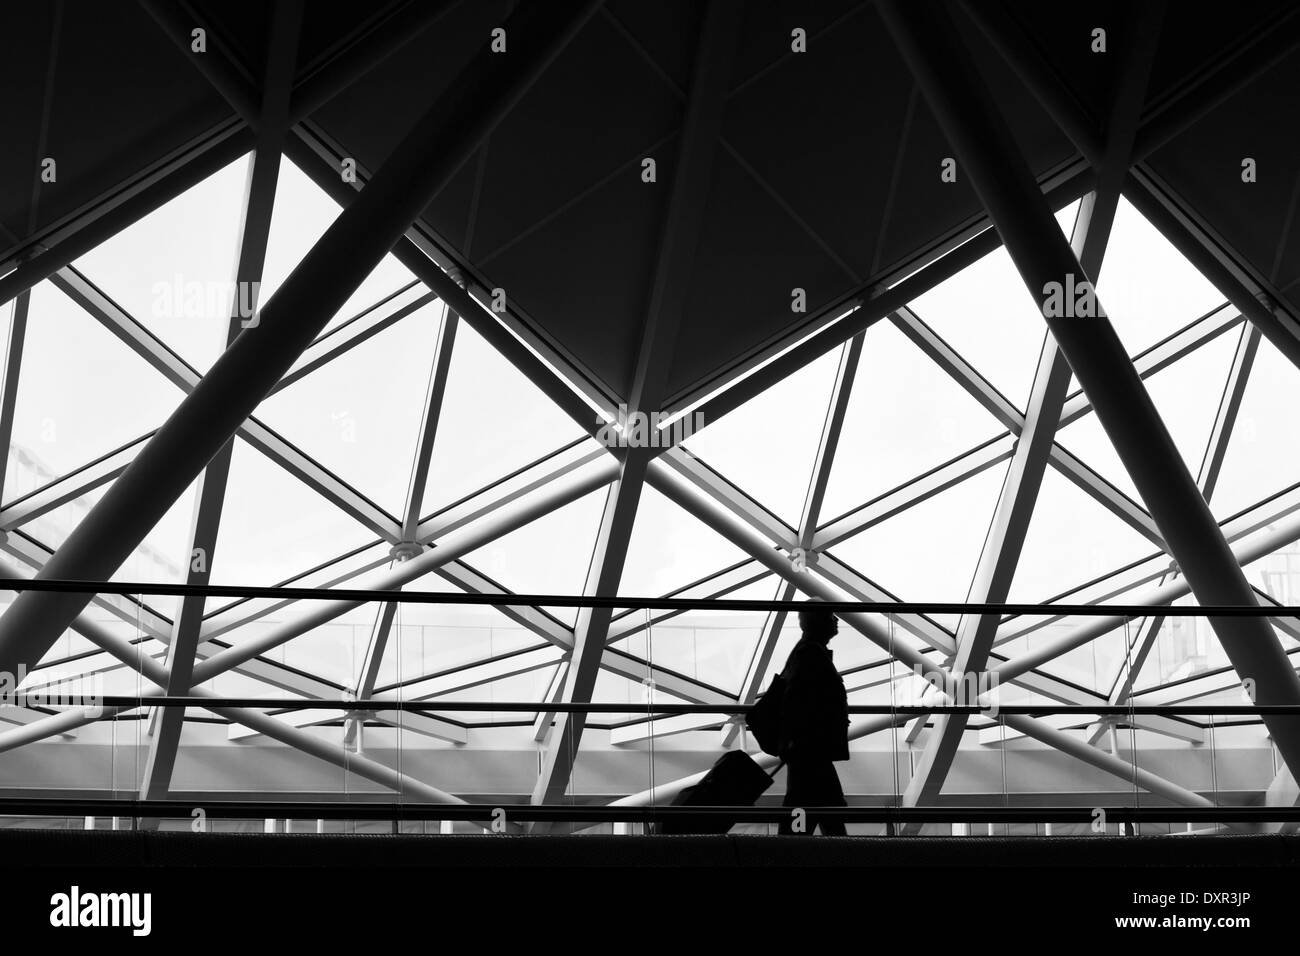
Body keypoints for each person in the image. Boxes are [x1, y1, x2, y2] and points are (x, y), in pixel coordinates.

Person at [776, 601, 849, 836]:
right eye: (830, 616)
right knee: (825, 814)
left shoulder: (805, 652)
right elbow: (803, 701)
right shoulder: (812, 654)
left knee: (807, 813)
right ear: (817, 621)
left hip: (808, 752)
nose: (835, 620)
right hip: (813, 752)